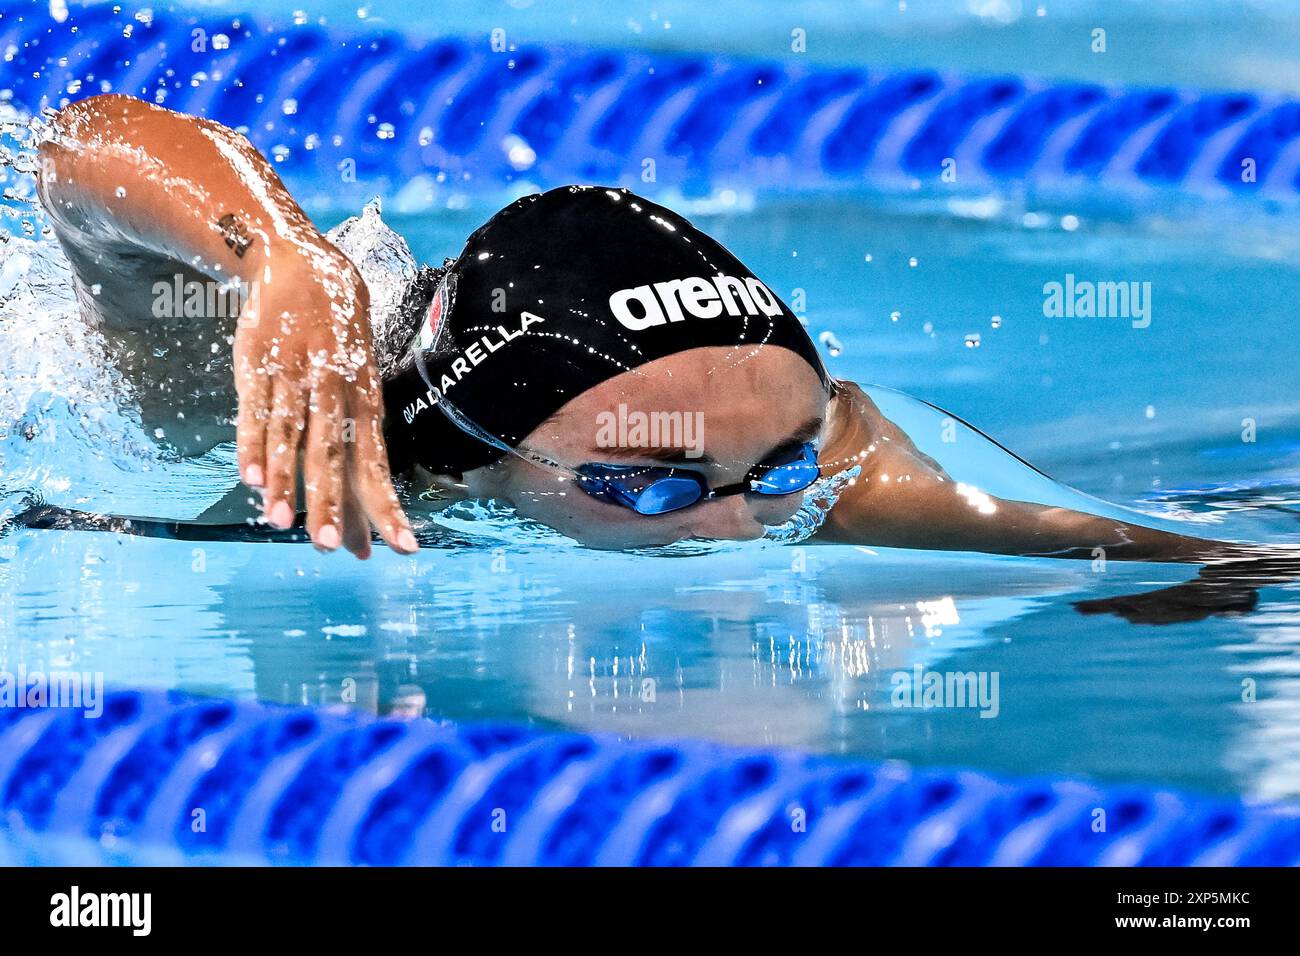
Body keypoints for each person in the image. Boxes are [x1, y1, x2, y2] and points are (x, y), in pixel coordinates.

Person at [33, 94, 1243, 568]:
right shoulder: (230, 400)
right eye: (650, 490)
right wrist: (283, 260)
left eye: (780, 466)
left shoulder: (800, 457)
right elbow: (75, 152)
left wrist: (1226, 564)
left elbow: (1060, 529)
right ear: (484, 458)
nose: (731, 525)